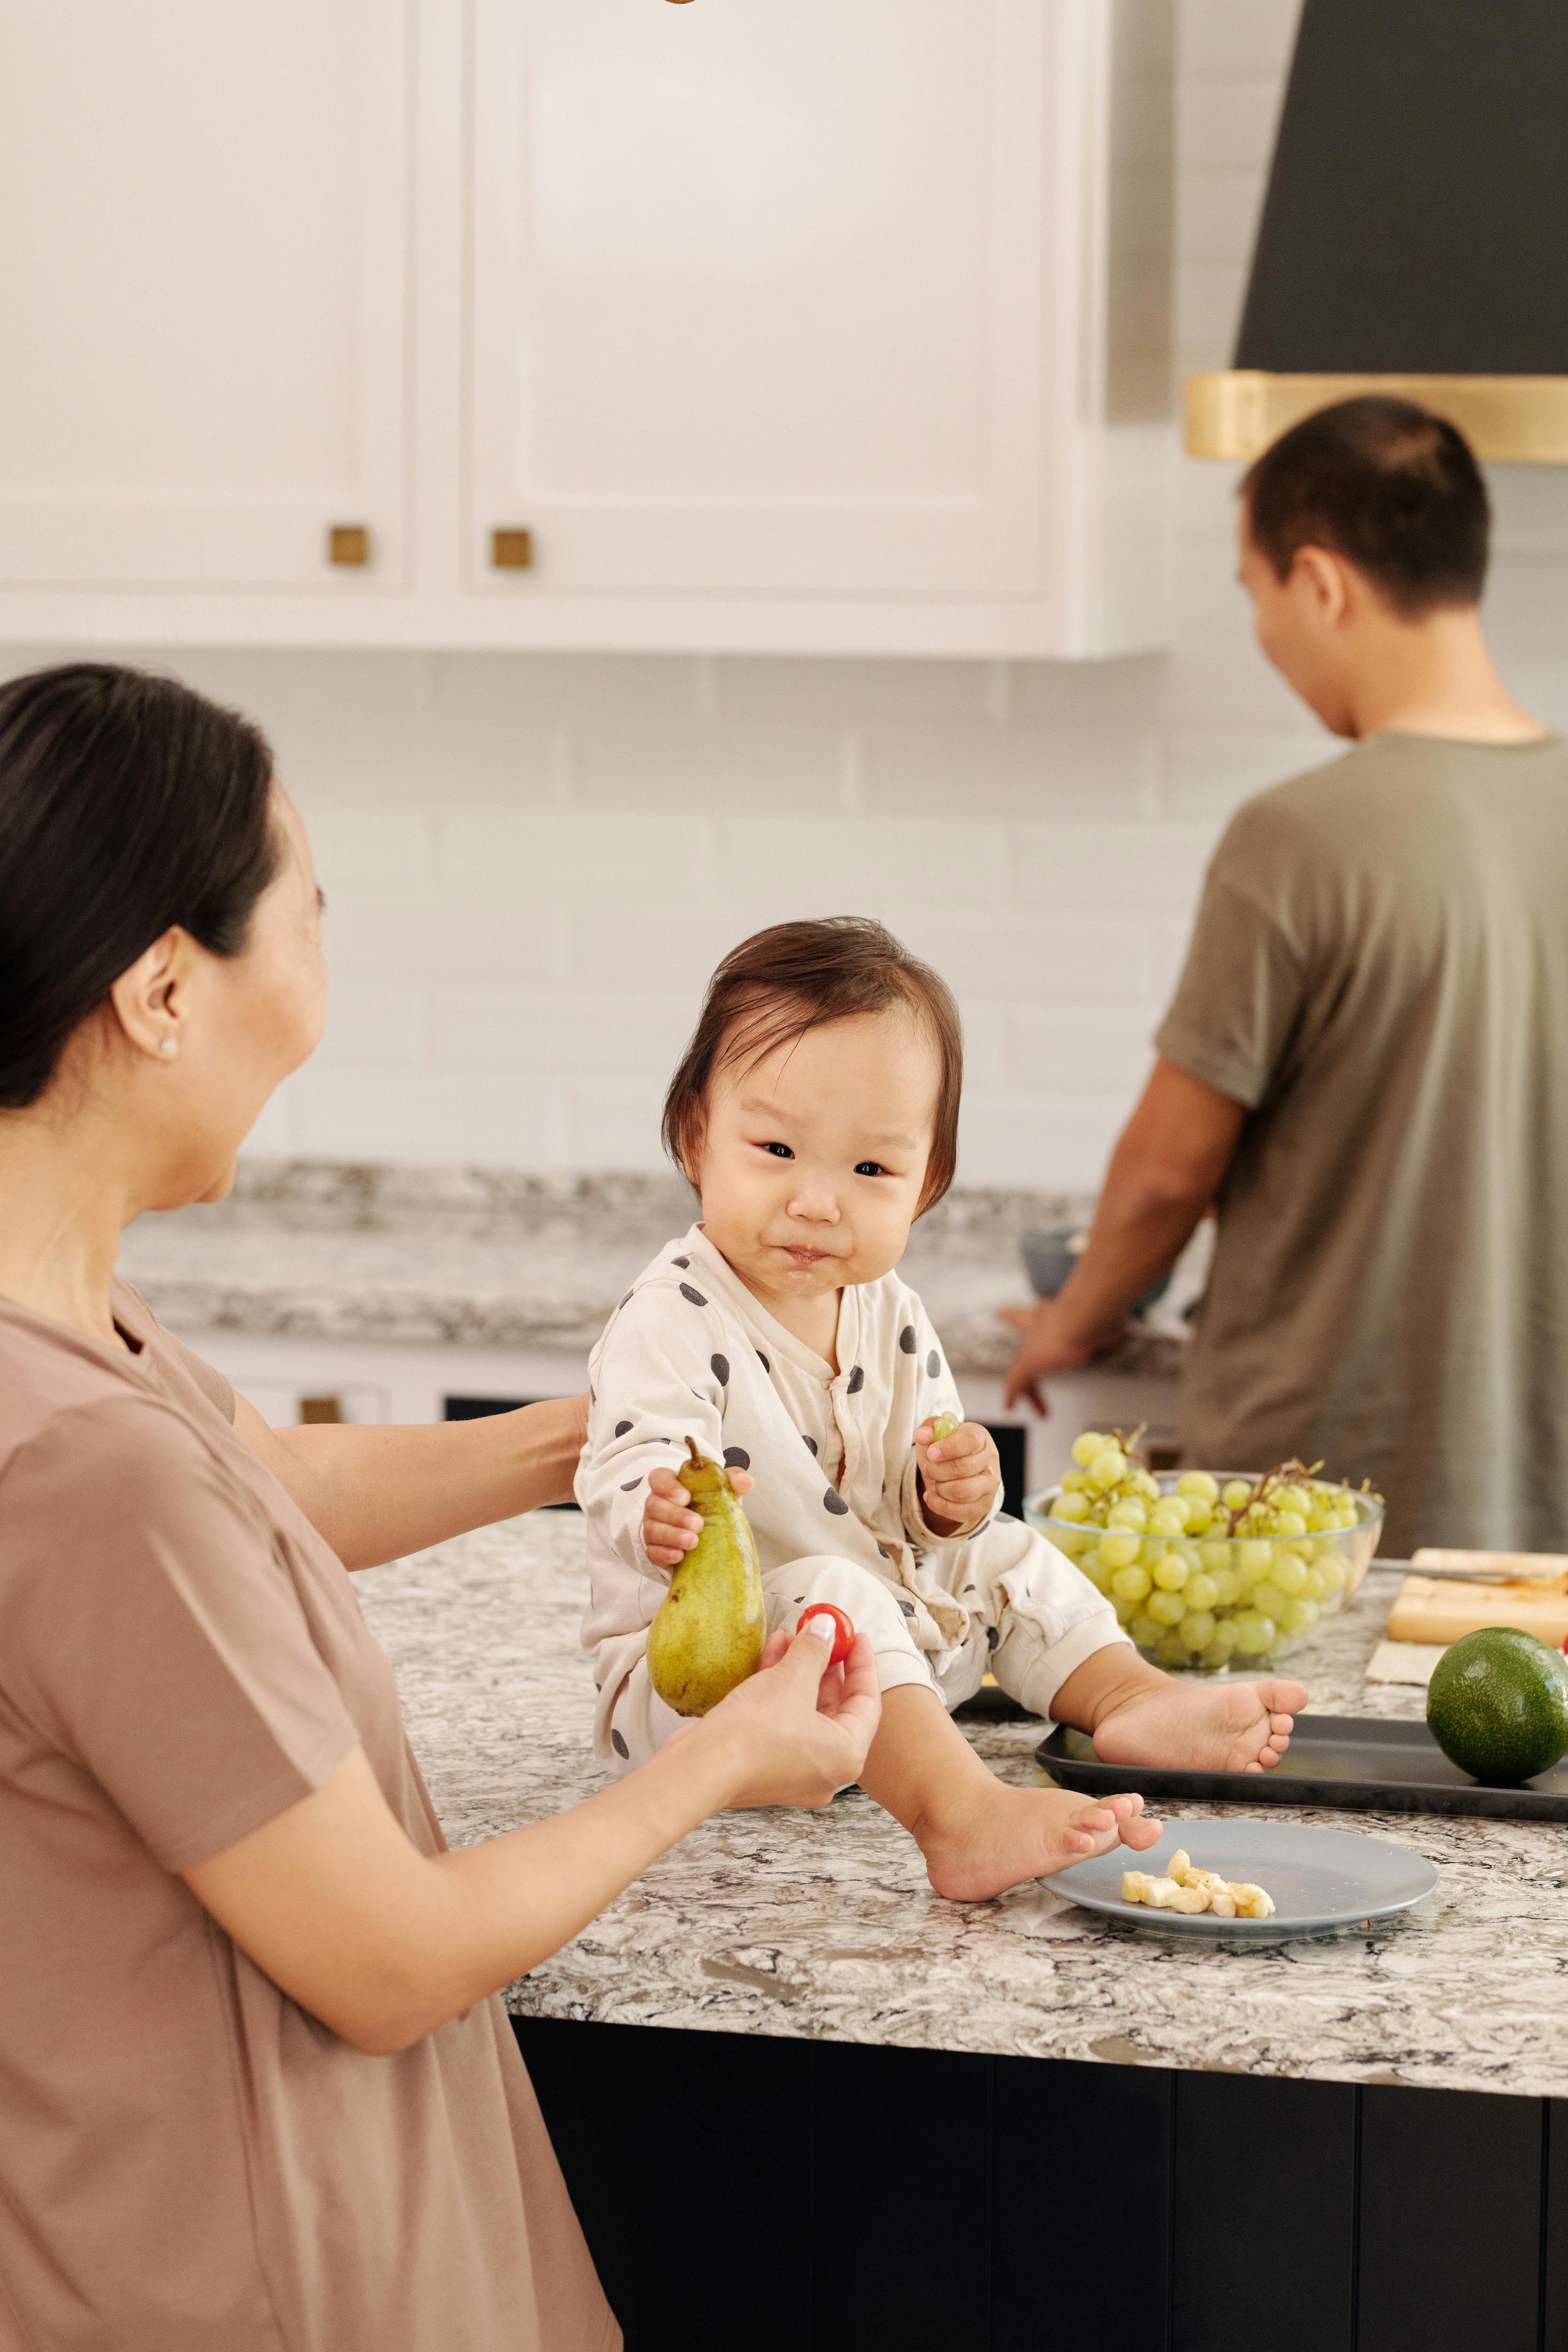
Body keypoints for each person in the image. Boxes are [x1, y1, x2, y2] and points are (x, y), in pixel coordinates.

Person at [0, 663, 887, 2352]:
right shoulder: (84, 1469)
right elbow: (391, 1960)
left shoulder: (70, 1336)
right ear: (164, 990)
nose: (320, 987)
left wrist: (618, 1435)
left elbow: (275, 1494)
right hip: (266, 2286)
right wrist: (724, 1758)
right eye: (310, 919)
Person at [577, 917, 1307, 1905]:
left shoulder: (891, 1311)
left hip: (893, 1661)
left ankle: (1129, 1697)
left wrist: (949, 1498)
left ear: (927, 1183)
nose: (817, 1201)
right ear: (694, 1136)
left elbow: (920, 1513)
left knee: (1002, 1547)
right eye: (777, 1148)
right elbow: (631, 1460)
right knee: (830, 1586)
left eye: (871, 1170)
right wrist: (654, 1509)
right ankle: (956, 1813)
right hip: (715, 1699)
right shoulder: (669, 1314)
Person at [1002, 395, 1568, 1556]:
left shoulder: (1295, 837)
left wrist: (1071, 1319)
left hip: (1315, 1508)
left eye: (1253, 591)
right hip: (1538, 1500)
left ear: (1318, 583)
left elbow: (1165, 1174)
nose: (1263, 629)